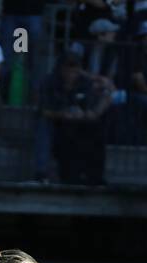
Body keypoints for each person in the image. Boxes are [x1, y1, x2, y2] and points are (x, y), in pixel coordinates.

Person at [42, 51, 110, 183]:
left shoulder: (85, 83)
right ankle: (66, 175)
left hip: (81, 124)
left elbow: (92, 107)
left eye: (74, 70)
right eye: (67, 70)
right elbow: (44, 110)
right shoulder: (49, 82)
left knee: (96, 131)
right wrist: (62, 114)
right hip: (57, 124)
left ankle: (95, 177)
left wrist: (88, 114)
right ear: (61, 69)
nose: (70, 74)